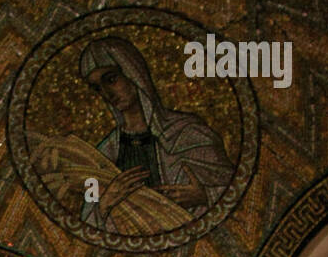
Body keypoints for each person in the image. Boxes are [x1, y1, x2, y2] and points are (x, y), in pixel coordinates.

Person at [77, 36, 235, 233]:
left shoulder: (189, 132)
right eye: (98, 88)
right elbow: (86, 225)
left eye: (111, 79)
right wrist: (105, 204)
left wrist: (205, 196)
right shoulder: (104, 153)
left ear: (132, 72)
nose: (106, 93)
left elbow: (236, 192)